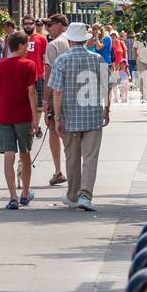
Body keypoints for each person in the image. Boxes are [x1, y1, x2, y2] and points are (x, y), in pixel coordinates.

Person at [49, 21, 111, 212]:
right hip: (92, 115)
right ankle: (86, 195)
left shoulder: (62, 60)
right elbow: (106, 86)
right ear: (85, 40)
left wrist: (57, 117)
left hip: (70, 116)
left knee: (72, 157)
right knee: (90, 157)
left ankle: (73, 195)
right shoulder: (98, 59)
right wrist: (106, 110)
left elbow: (57, 92)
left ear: (69, 40)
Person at [0, 31, 38, 210]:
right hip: (23, 114)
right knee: (25, 153)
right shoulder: (29, 65)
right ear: (22, 46)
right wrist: (34, 119)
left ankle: (13, 197)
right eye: (27, 45)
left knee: (9, 154)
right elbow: (31, 92)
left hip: (3, 115)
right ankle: (25, 192)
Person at [43, 12, 70, 186]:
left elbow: (49, 73)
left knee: (54, 130)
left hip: (57, 93)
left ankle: (59, 171)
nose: (47, 28)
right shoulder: (76, 42)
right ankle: (74, 170)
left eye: (50, 25)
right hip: (76, 95)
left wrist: (46, 100)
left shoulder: (54, 44)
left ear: (59, 25)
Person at [22, 13, 47, 118]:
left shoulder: (41, 39)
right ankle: (28, 124)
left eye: (30, 23)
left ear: (34, 25)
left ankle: (36, 125)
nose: (28, 26)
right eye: (25, 24)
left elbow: (45, 57)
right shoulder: (19, 38)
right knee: (24, 101)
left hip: (39, 74)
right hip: (22, 75)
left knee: (39, 103)